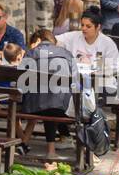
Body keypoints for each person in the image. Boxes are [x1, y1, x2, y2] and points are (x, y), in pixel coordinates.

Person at [17, 29, 80, 159]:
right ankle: (48, 149)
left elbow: (21, 83)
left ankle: (25, 144)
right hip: (64, 108)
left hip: (33, 108)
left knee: (43, 99)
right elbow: (75, 81)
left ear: (38, 40)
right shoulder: (66, 54)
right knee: (52, 100)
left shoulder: (30, 53)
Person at [57, 8, 119, 98]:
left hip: (102, 84)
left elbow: (115, 67)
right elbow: (55, 40)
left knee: (88, 94)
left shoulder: (108, 43)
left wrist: (93, 68)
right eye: (82, 25)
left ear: (98, 27)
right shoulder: (74, 36)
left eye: (88, 26)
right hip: (78, 82)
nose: (83, 28)